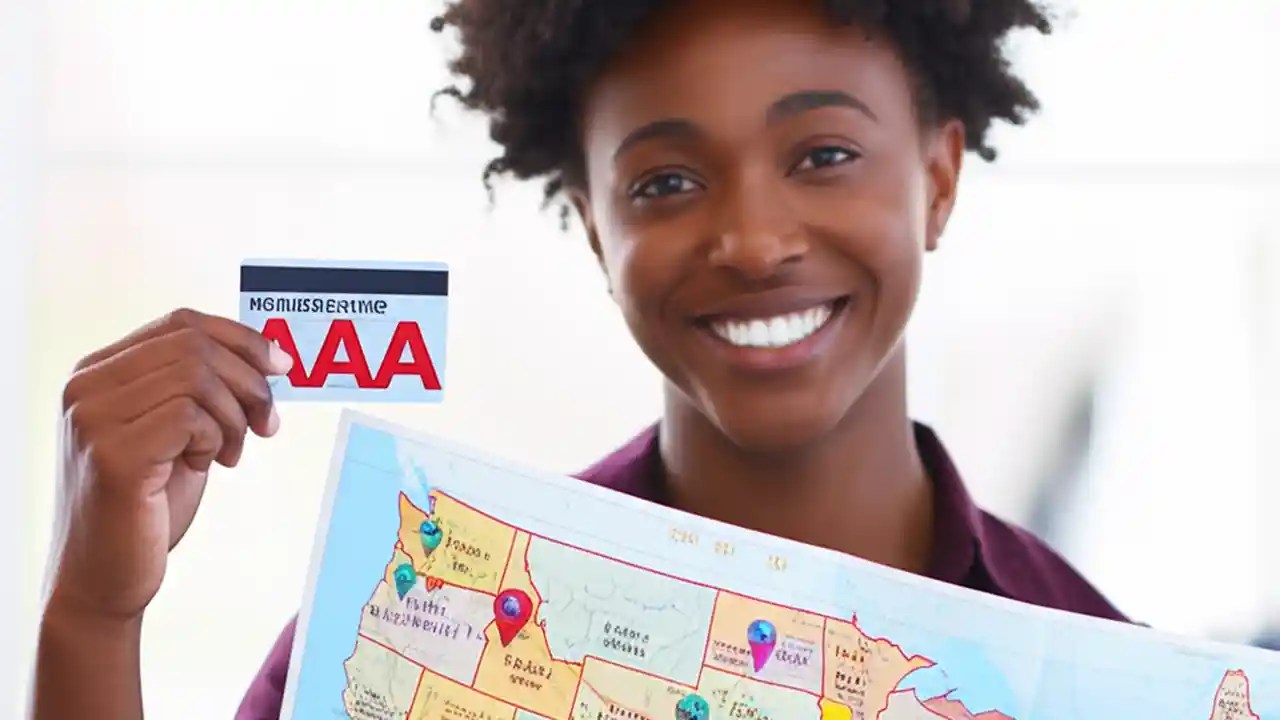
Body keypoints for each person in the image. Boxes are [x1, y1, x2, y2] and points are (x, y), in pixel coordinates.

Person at [31, 0, 1130, 718]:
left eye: (824, 154)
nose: (751, 240)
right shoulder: (407, 625)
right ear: (593, 224)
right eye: (663, 182)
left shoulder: (1114, 674)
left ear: (937, 178)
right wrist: (90, 616)